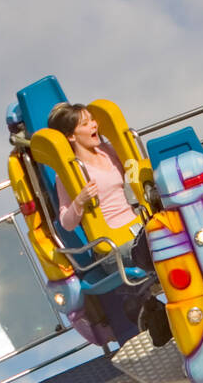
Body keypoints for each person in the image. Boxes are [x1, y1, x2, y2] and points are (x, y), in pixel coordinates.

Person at [47, 103, 142, 264]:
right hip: (112, 247)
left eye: (92, 120)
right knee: (154, 244)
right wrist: (80, 200)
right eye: (85, 124)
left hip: (138, 227)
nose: (94, 125)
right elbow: (66, 223)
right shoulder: (69, 174)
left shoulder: (108, 151)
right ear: (71, 136)